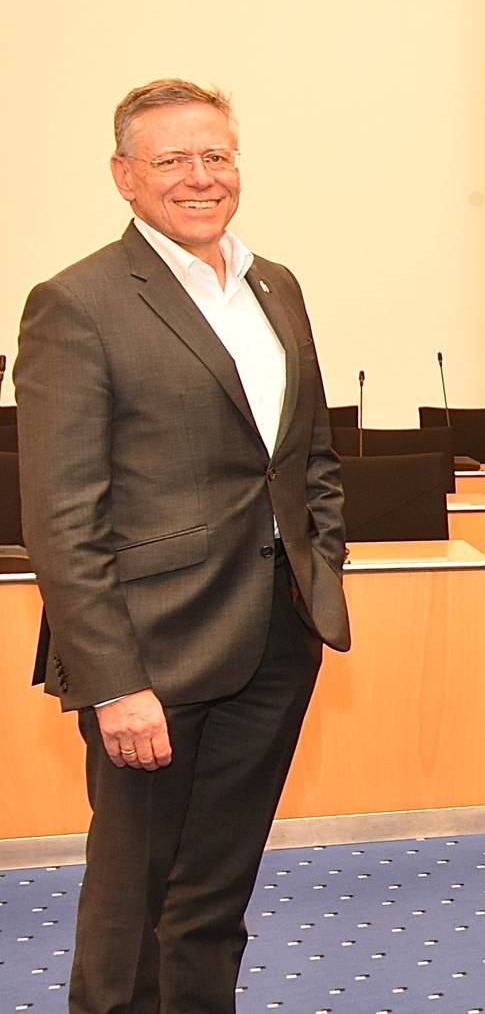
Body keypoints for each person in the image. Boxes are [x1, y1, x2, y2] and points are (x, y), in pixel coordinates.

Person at [15, 78, 351, 1013]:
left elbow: (308, 457)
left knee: (214, 897)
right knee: (133, 906)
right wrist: (115, 682)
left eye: (216, 155)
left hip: (277, 639)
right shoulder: (75, 303)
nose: (200, 176)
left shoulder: (274, 286)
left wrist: (322, 567)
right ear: (124, 176)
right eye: (171, 160)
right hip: (152, 656)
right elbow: (61, 517)